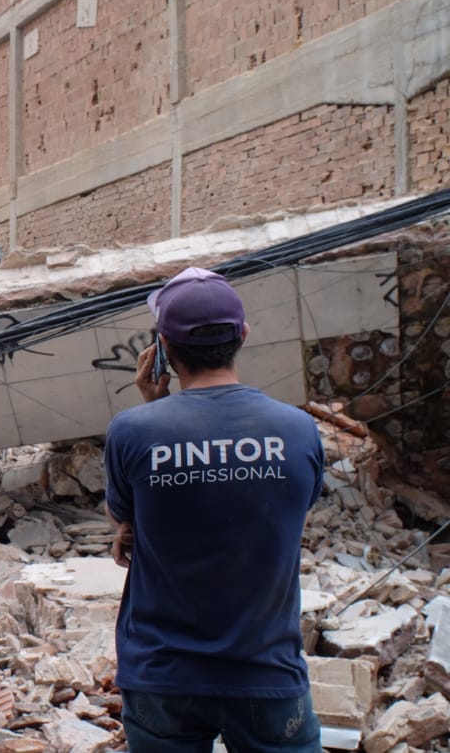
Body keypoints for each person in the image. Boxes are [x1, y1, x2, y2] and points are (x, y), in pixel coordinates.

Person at [103, 267, 324, 753]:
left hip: (163, 677)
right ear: (242, 335)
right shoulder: (298, 430)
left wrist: (153, 405)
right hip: (267, 674)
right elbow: (289, 513)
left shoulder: (133, 431)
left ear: (162, 345)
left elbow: (125, 521)